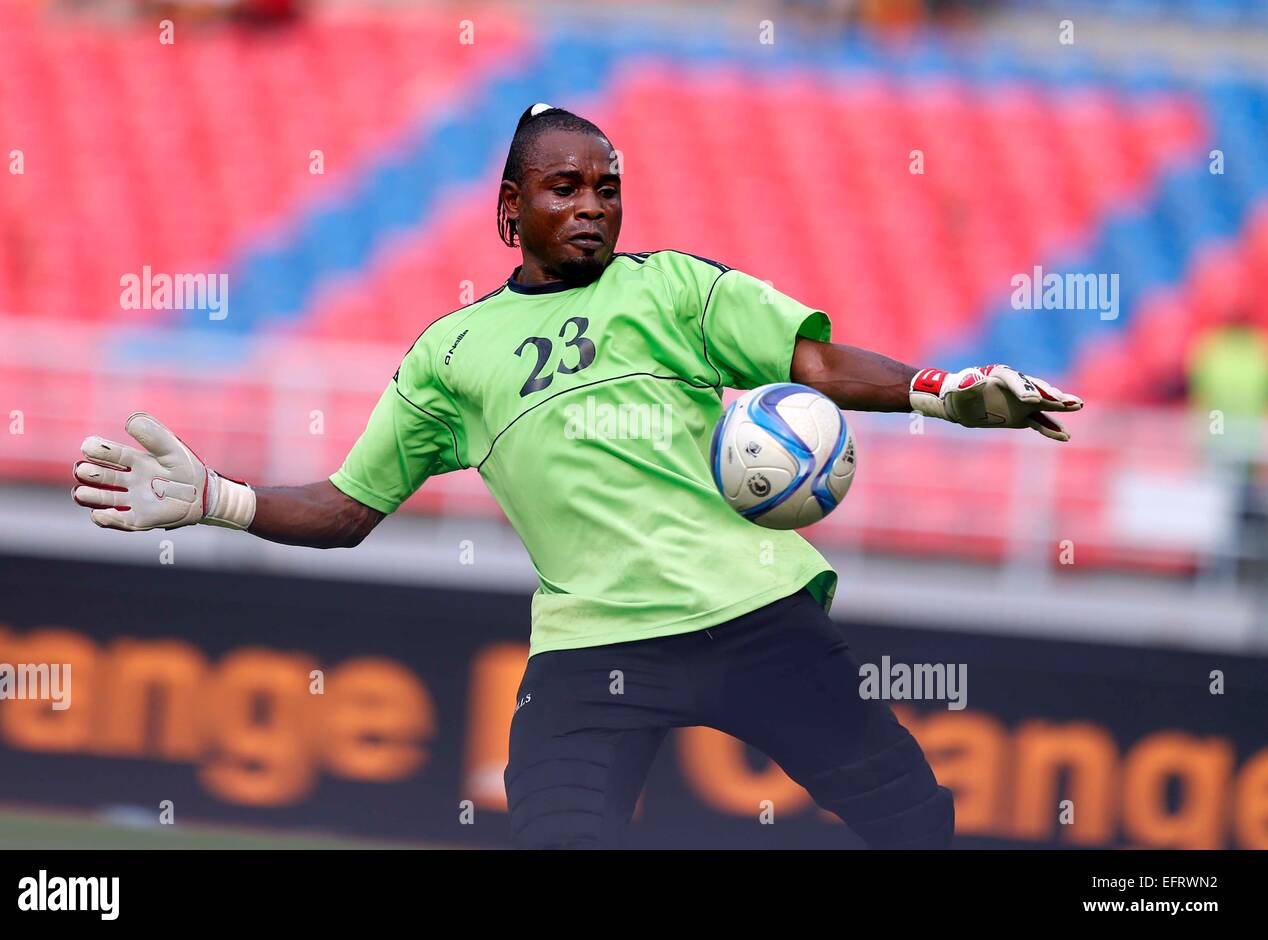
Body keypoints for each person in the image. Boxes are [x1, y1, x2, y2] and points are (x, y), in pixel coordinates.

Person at [72, 104, 1082, 848]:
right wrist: (216, 497)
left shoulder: (677, 288)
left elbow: (812, 364)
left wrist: (939, 391)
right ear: (512, 206)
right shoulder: (451, 353)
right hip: (594, 650)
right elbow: (347, 509)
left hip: (753, 615)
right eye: (566, 187)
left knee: (913, 817)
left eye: (607, 187)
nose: (592, 206)